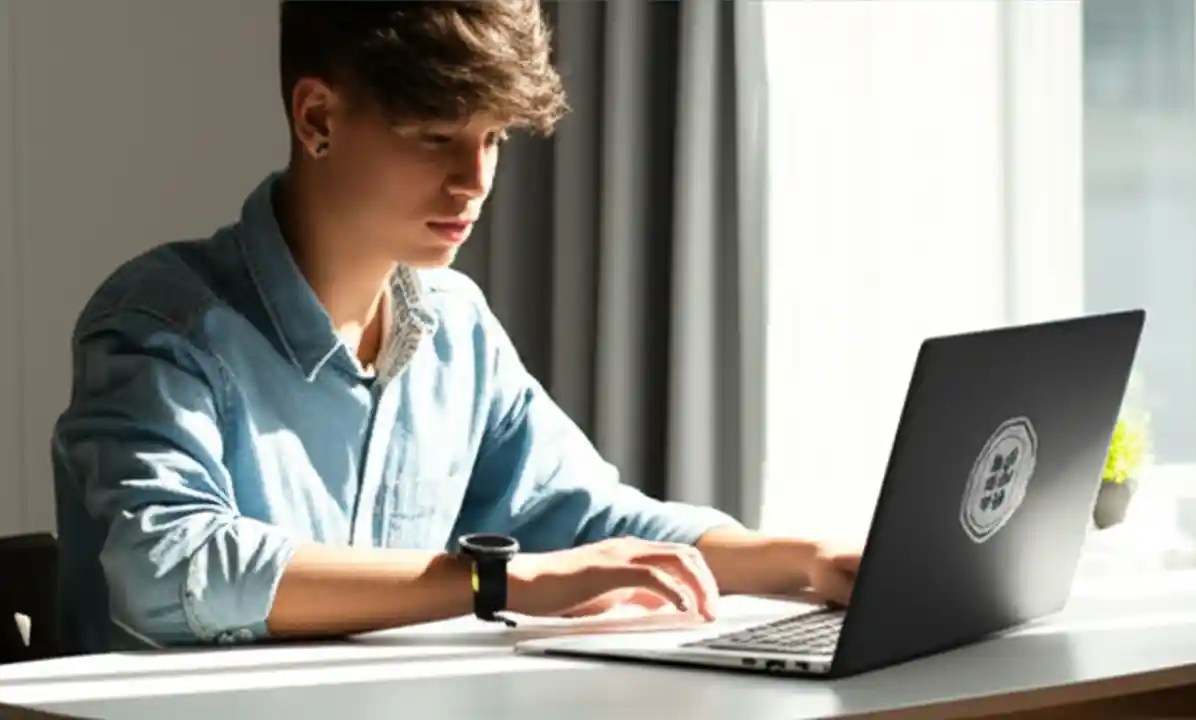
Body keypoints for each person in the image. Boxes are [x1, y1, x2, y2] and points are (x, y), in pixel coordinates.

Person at [50, 0, 859, 655]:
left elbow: (594, 522)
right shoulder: (163, 325)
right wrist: (496, 582)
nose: (474, 181)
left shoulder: (455, 330)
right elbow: (168, 567)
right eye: (436, 136)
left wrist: (809, 563)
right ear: (317, 118)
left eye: (493, 138)